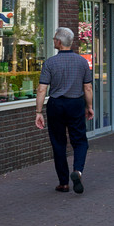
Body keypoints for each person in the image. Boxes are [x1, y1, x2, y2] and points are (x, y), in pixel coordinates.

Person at [34, 27, 94, 194]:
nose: (54, 41)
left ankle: (63, 183)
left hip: (56, 105)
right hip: (76, 104)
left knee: (58, 143)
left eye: (54, 39)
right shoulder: (82, 62)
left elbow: (41, 90)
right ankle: (78, 171)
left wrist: (38, 112)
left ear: (59, 42)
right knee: (80, 141)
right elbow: (87, 87)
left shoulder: (50, 63)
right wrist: (89, 106)